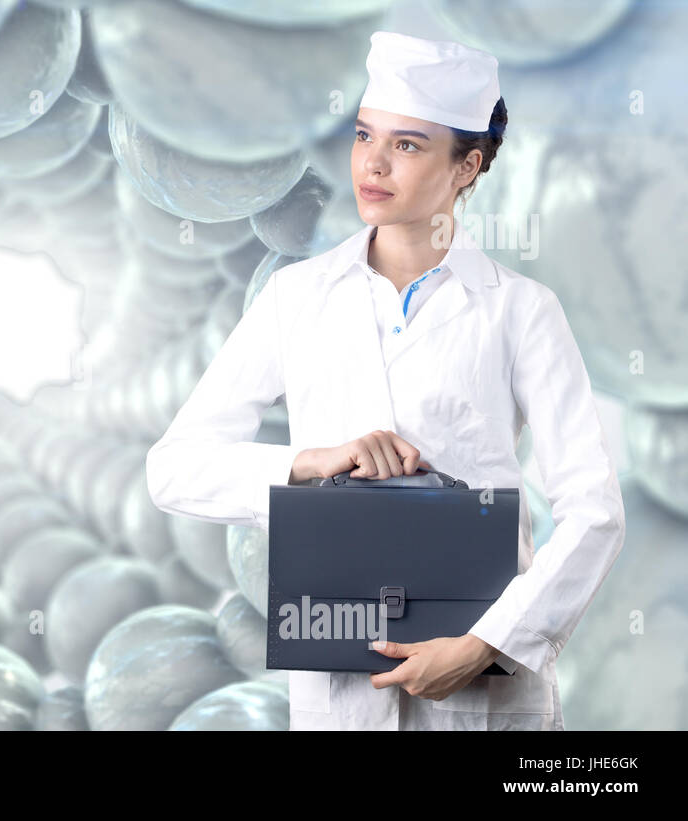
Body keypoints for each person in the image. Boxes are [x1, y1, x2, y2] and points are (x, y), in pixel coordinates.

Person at [145, 30, 625, 731]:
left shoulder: (520, 309)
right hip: (340, 690)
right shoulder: (295, 296)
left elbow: (594, 510)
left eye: (407, 144)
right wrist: (310, 464)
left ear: (468, 166)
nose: (372, 161)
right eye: (365, 134)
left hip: (482, 699)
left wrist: (485, 643)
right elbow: (173, 468)